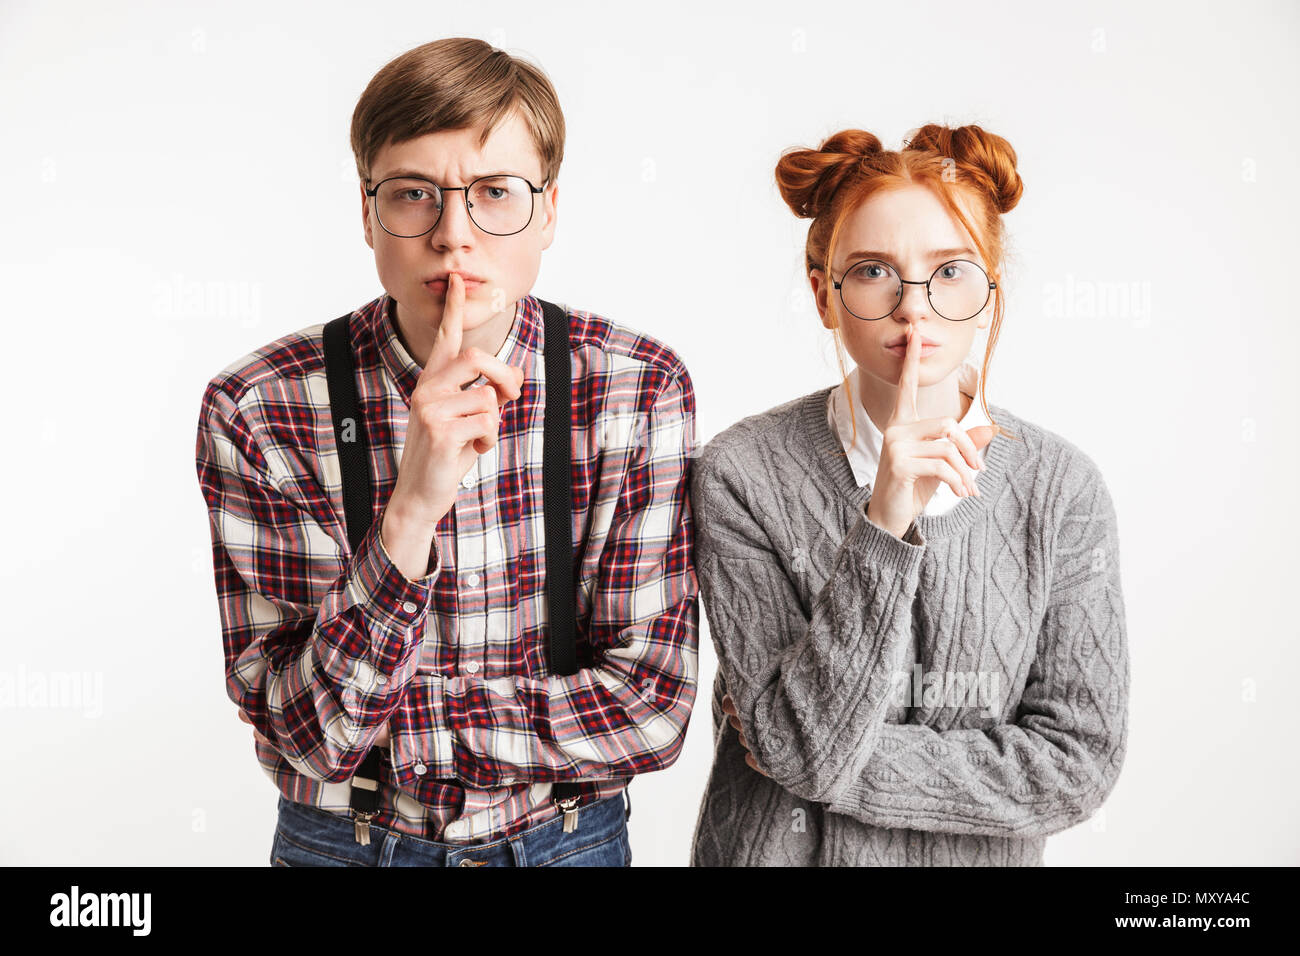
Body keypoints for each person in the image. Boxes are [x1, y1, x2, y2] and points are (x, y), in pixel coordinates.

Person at [194, 37, 698, 867]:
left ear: (549, 210)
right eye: (414, 195)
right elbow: (314, 737)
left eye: (495, 192)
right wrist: (412, 508)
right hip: (347, 843)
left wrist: (413, 730)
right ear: (367, 214)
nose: (454, 235)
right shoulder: (260, 406)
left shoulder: (636, 388)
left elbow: (649, 708)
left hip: (565, 843)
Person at [689, 124, 1129, 866]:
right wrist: (884, 521)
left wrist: (830, 767)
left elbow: (1077, 766)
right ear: (824, 295)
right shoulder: (742, 473)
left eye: (950, 271)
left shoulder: (1062, 491)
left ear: (991, 291)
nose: (913, 307)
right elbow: (797, 745)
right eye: (872, 272)